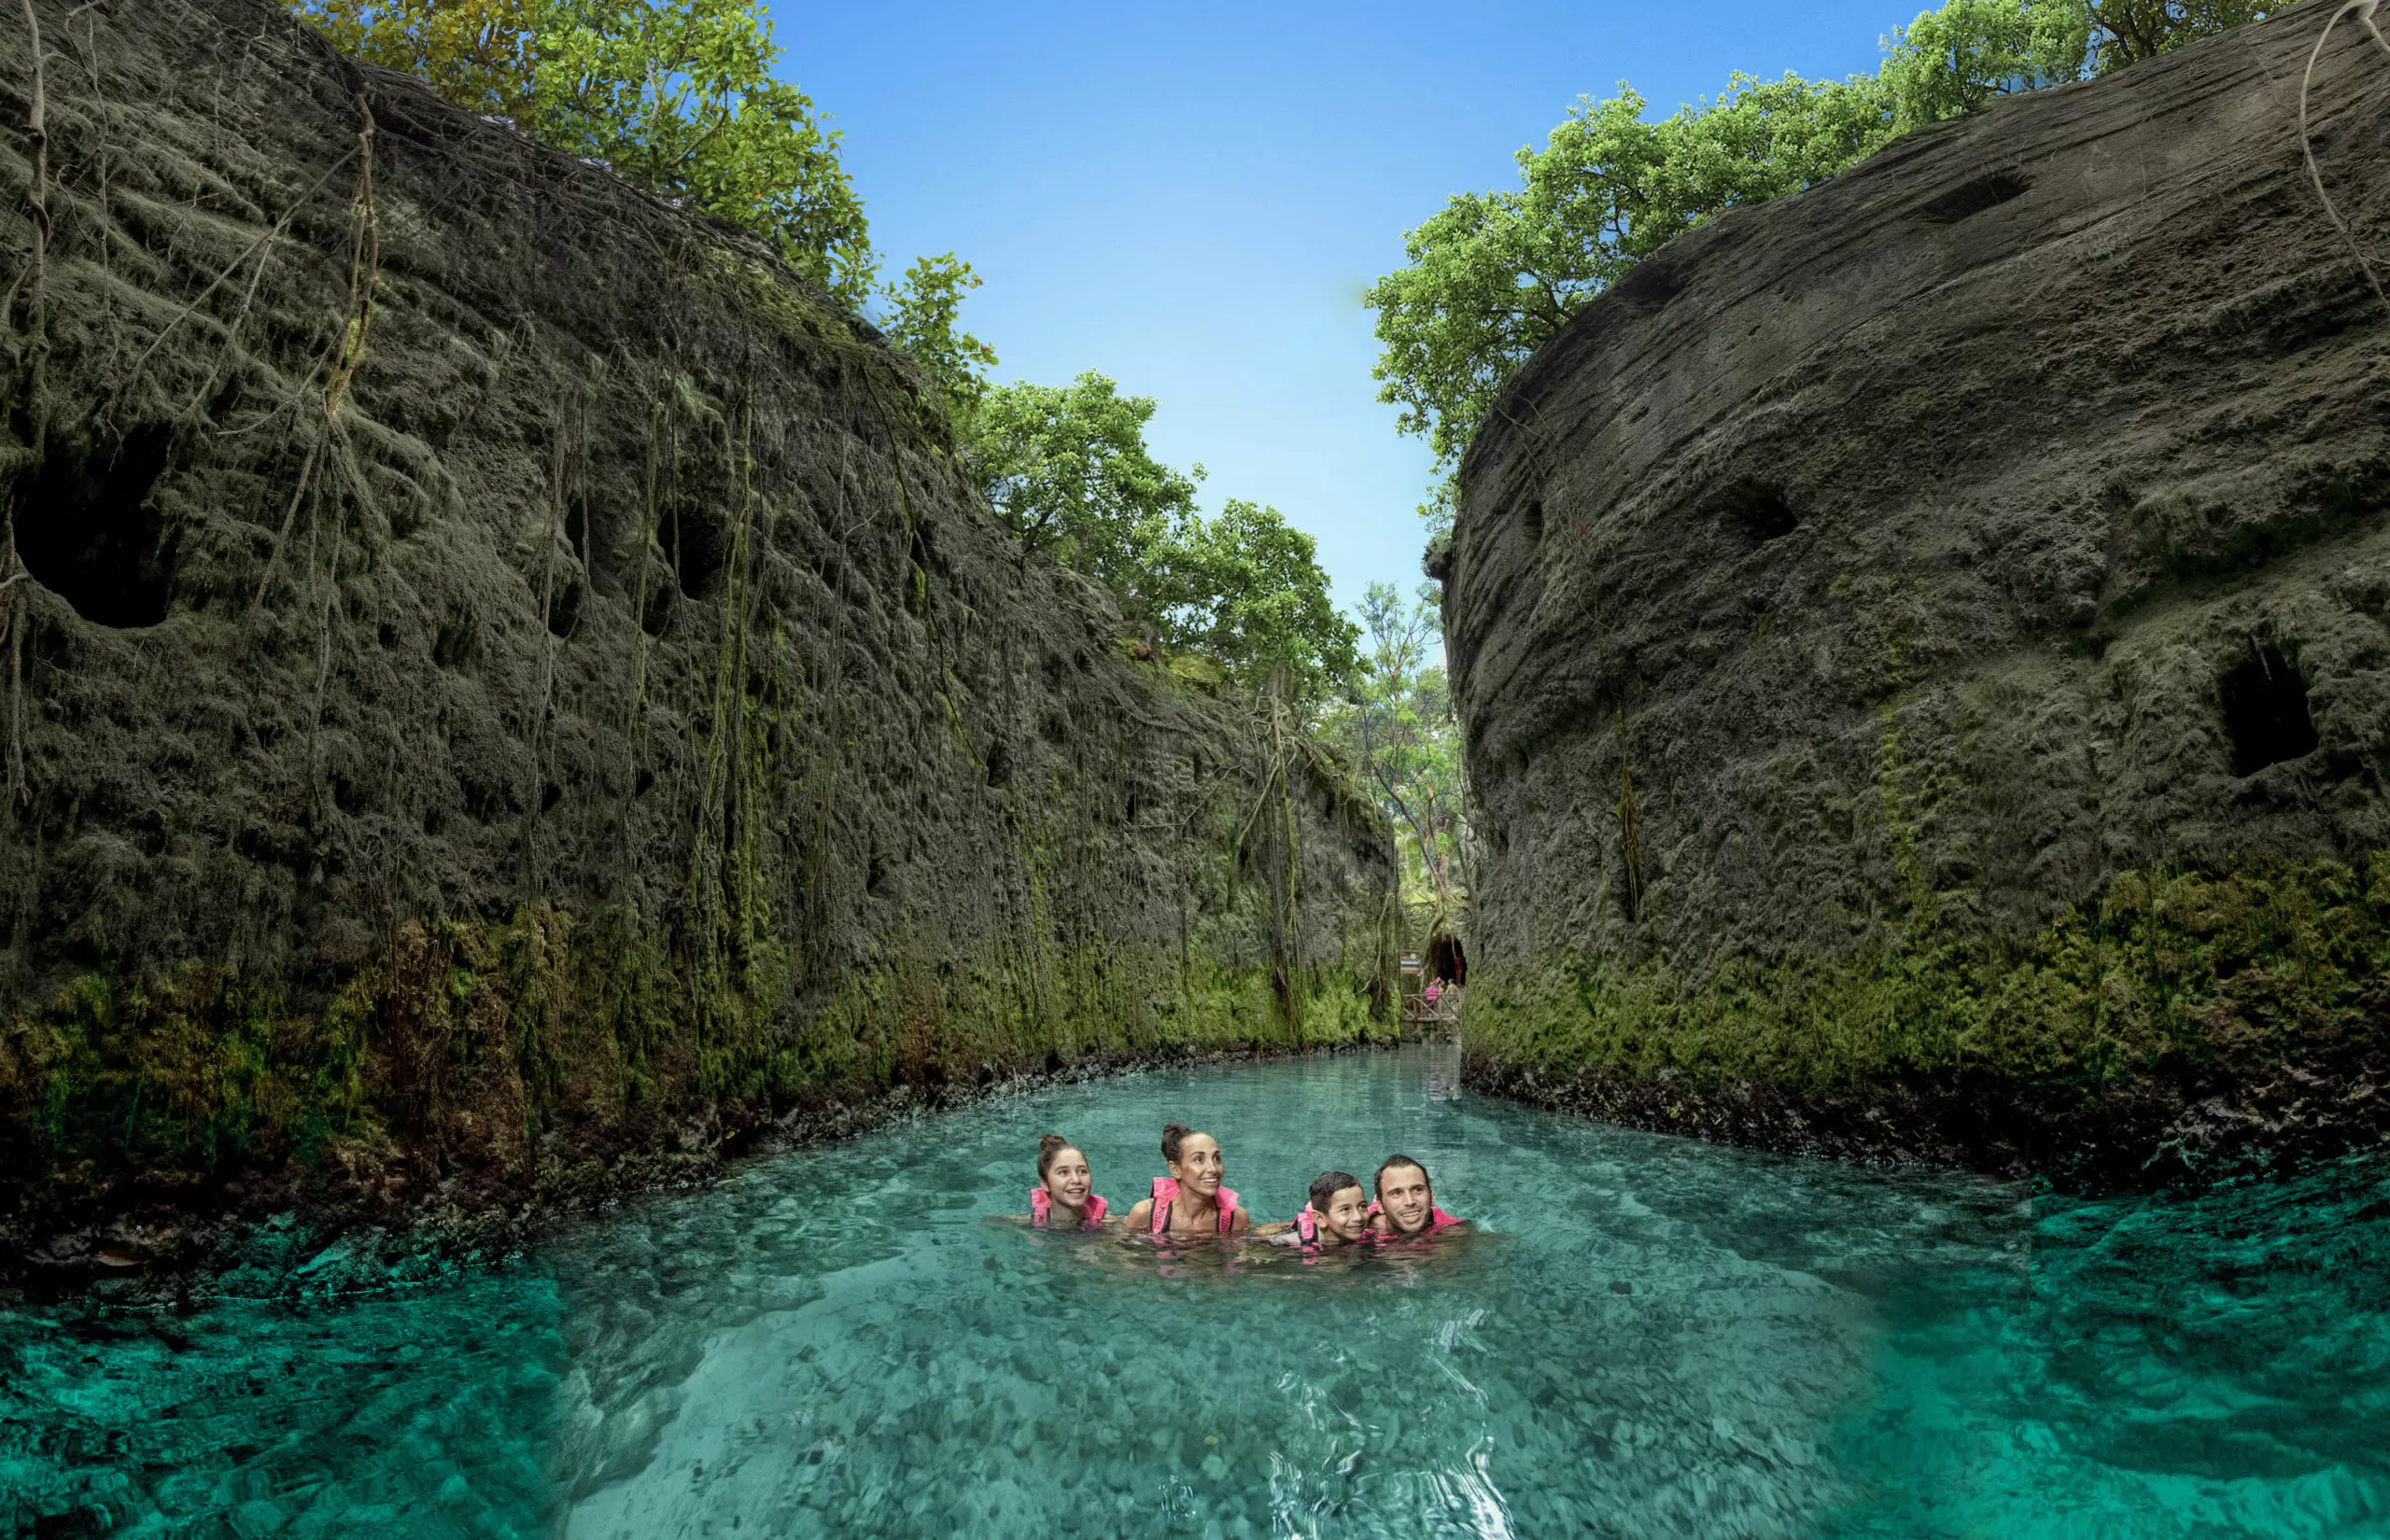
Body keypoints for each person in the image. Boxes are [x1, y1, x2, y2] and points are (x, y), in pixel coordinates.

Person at [1123, 1122, 1250, 1237]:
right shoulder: (1145, 1214)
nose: (1213, 1169)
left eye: (1217, 1158)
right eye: (1199, 1159)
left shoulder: (1236, 1219)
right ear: (1176, 1170)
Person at [1258, 1169, 1371, 1251]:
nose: (1358, 1217)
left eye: (1362, 1206)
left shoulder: (1371, 1237)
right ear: (1320, 1218)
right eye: (1345, 1209)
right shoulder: (1289, 1244)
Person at [1368, 1154, 1461, 1239]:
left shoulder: (1451, 1229)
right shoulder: (1363, 1229)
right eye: (1396, 1193)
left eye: (1418, 1190)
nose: (1410, 1201)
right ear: (1380, 1206)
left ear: (1431, 1196)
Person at [1028, 1134, 1109, 1229]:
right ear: (1045, 1183)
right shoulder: (1031, 1222)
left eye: (1082, 1171)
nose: (1076, 1180)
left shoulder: (1108, 1223)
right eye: (1064, 1172)